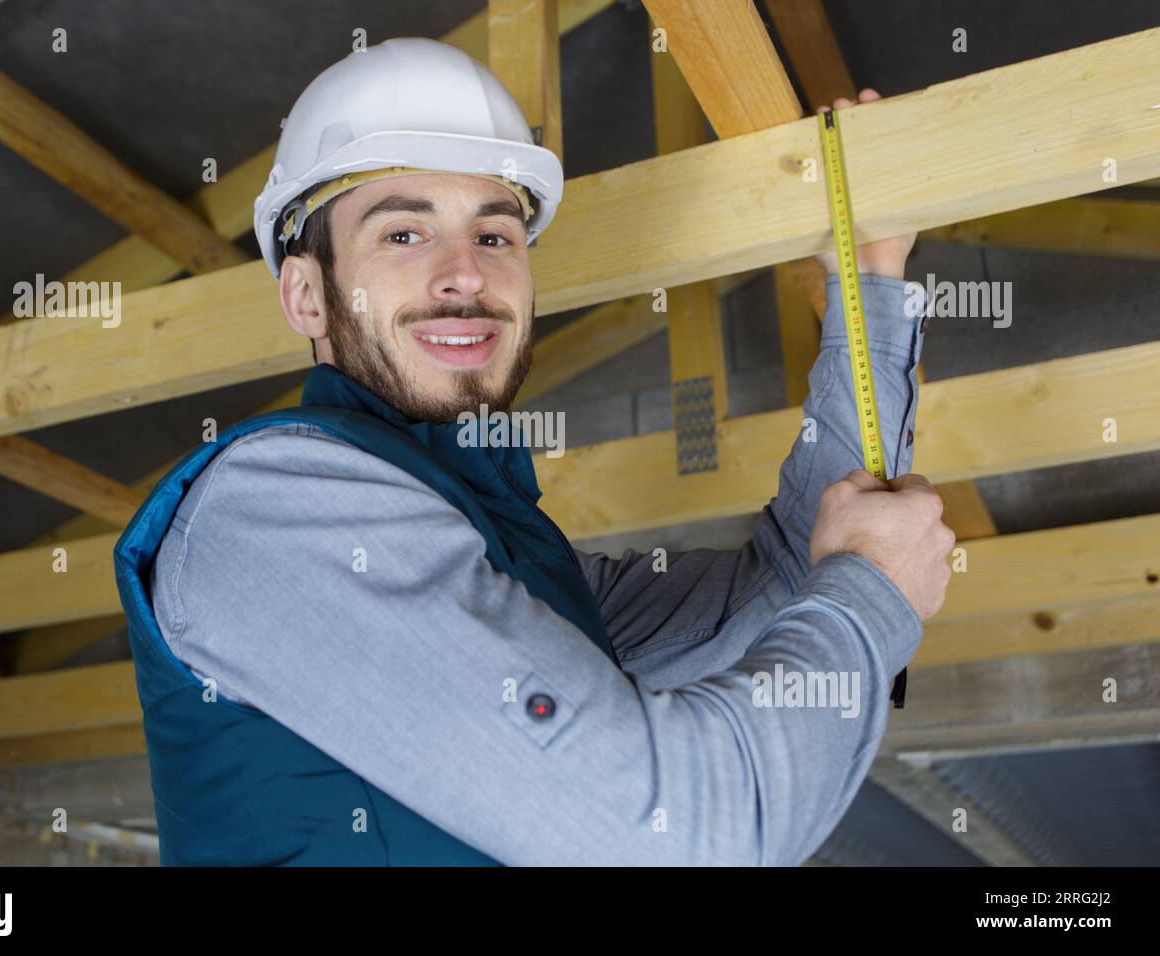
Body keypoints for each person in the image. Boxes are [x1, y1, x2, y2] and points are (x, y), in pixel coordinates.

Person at [113, 37, 953, 866]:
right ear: (306, 295)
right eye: (403, 235)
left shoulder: (512, 563)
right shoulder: (276, 507)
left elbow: (788, 578)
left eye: (495, 236)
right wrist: (871, 592)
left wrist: (871, 285)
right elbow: (693, 834)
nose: (465, 276)